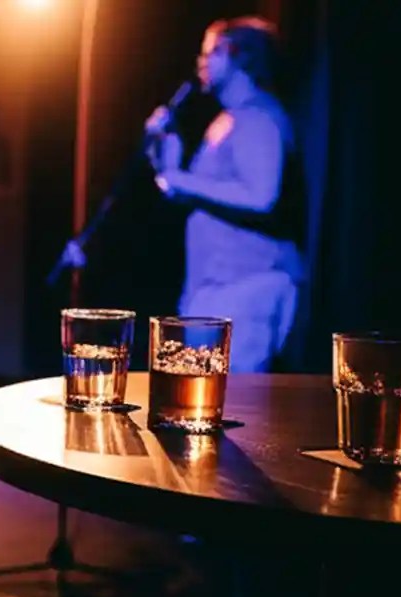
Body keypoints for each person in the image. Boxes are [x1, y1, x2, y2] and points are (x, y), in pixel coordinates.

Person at [145, 17, 303, 372]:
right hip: (217, 290)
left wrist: (180, 180)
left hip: (247, 289)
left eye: (211, 51)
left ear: (240, 56)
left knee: (237, 410)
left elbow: (262, 196)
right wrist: (163, 146)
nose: (201, 61)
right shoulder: (227, 120)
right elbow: (179, 189)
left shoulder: (258, 118)